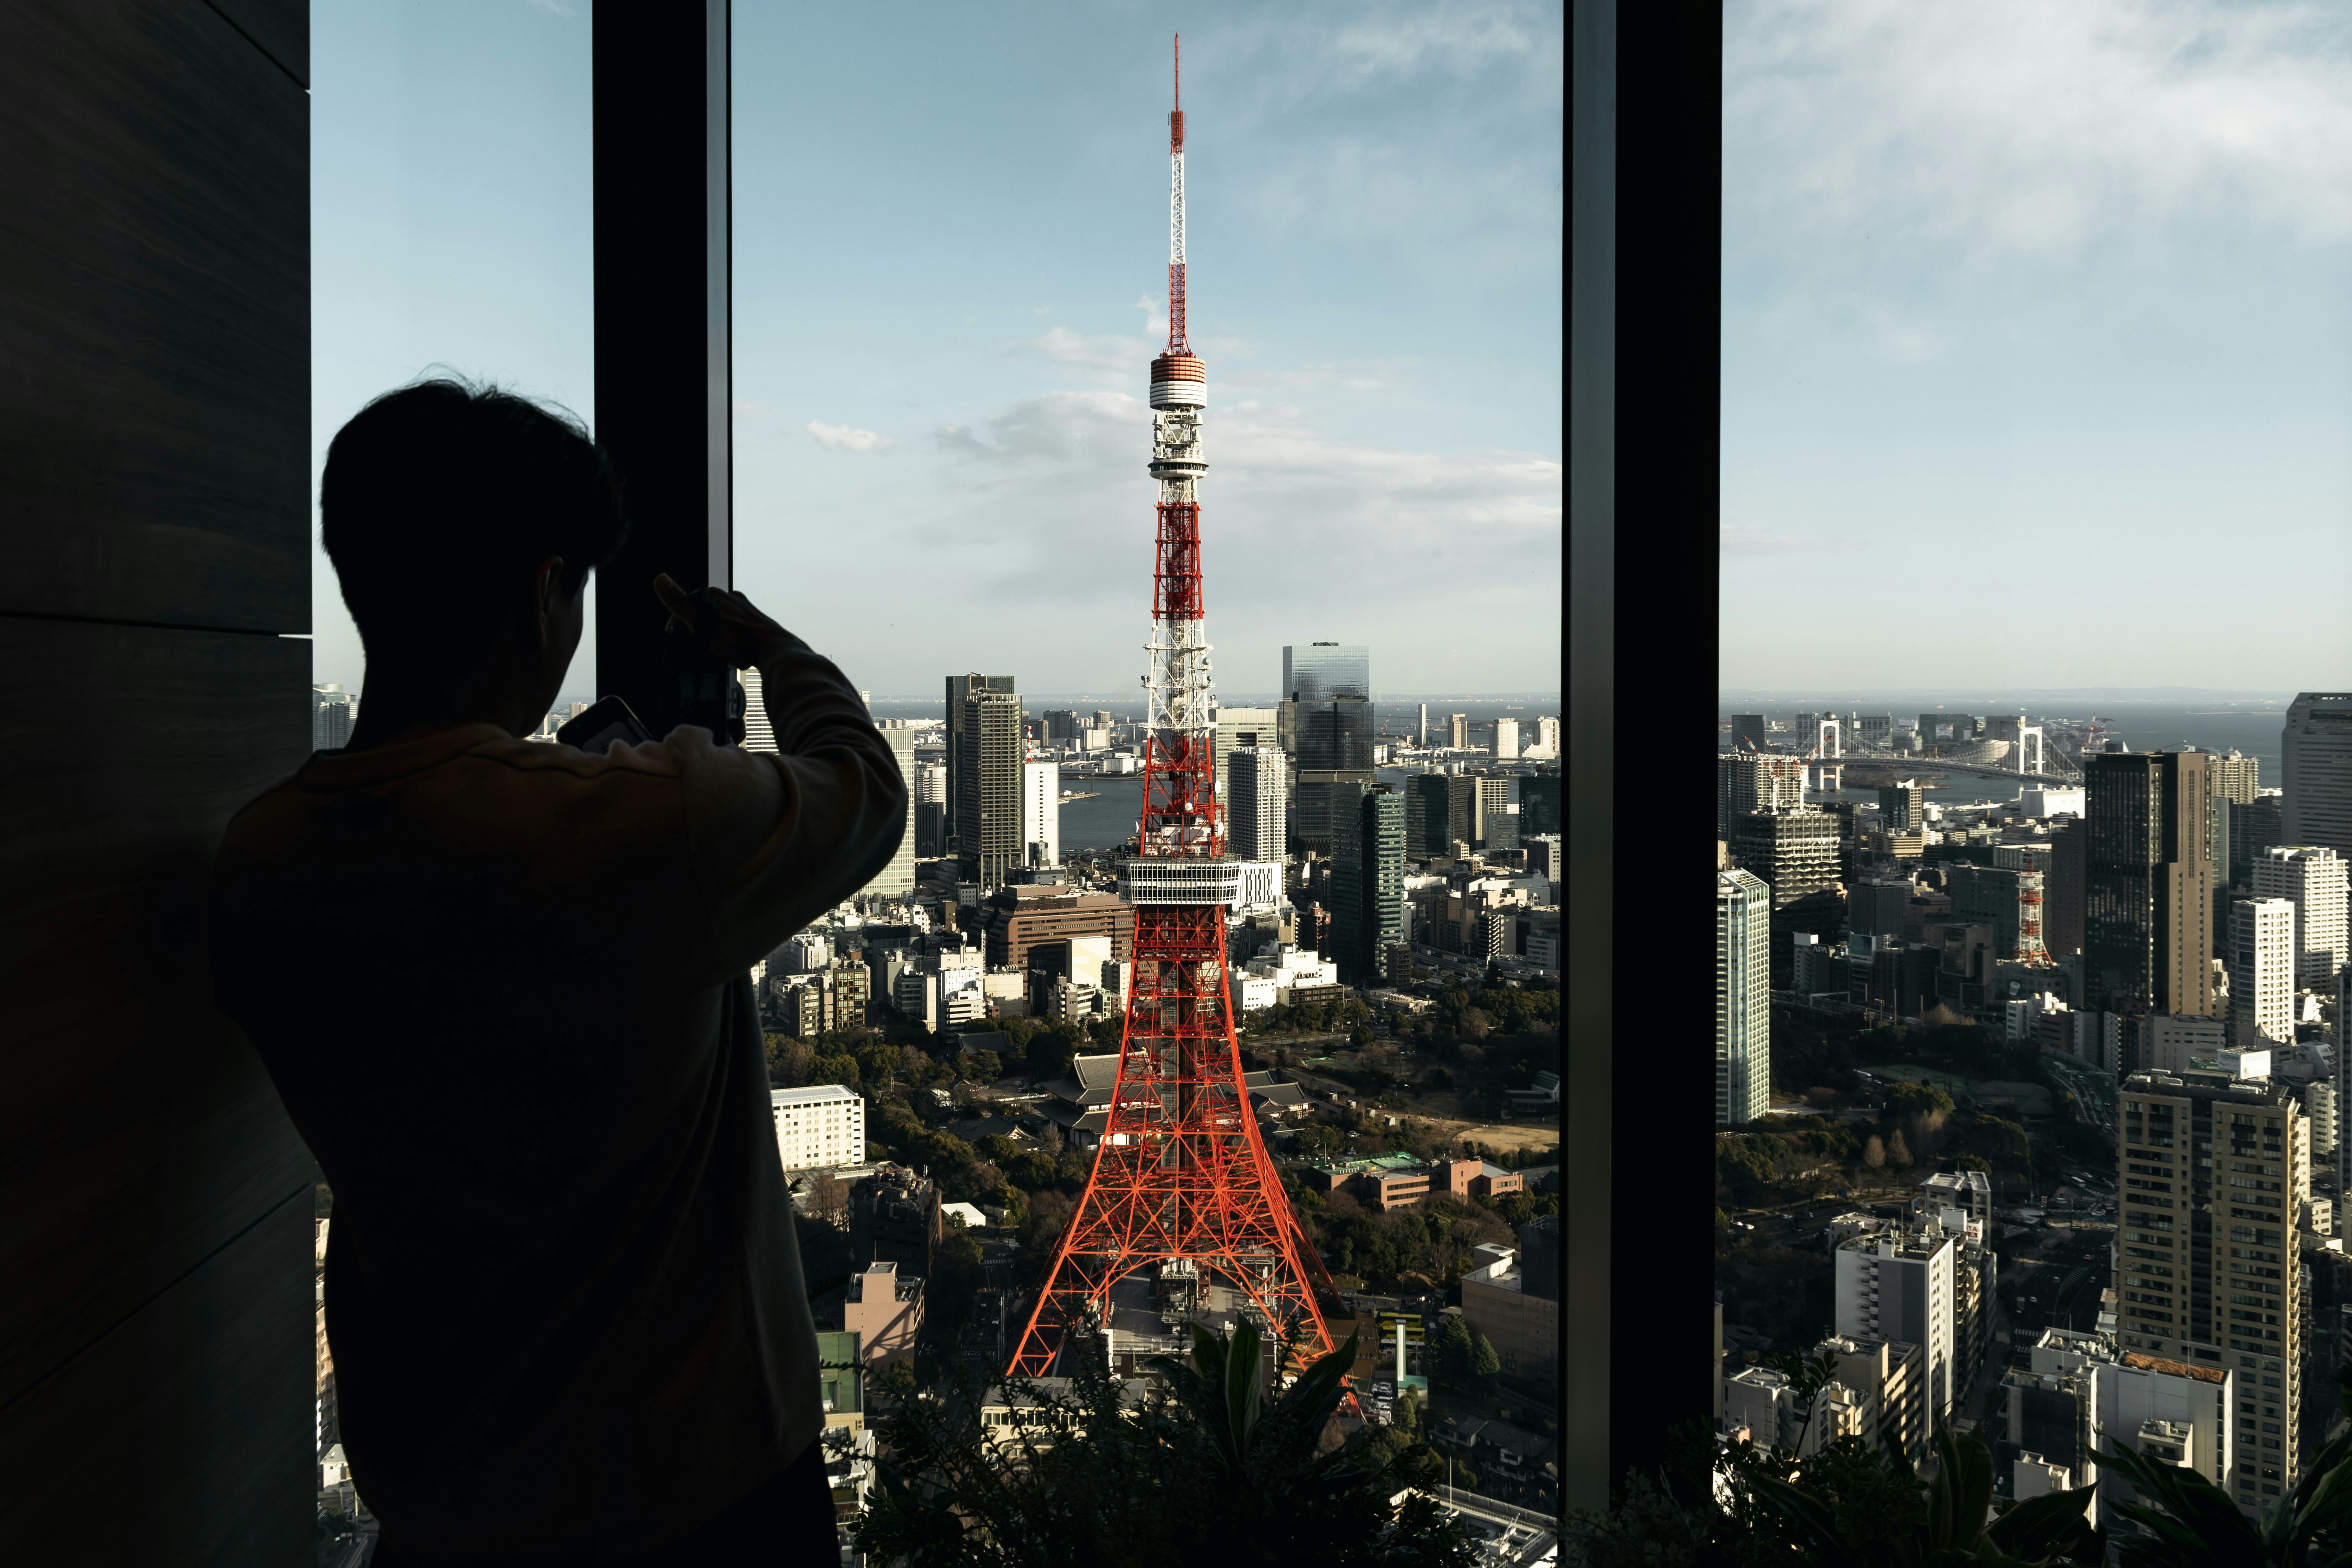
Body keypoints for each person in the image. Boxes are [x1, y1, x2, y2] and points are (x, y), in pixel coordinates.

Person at [210, 379, 903, 1565]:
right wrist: (774, 649)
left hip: (444, 1500)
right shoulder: (635, 830)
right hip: (697, 1491)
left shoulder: (259, 861)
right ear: (545, 591)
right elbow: (865, 789)